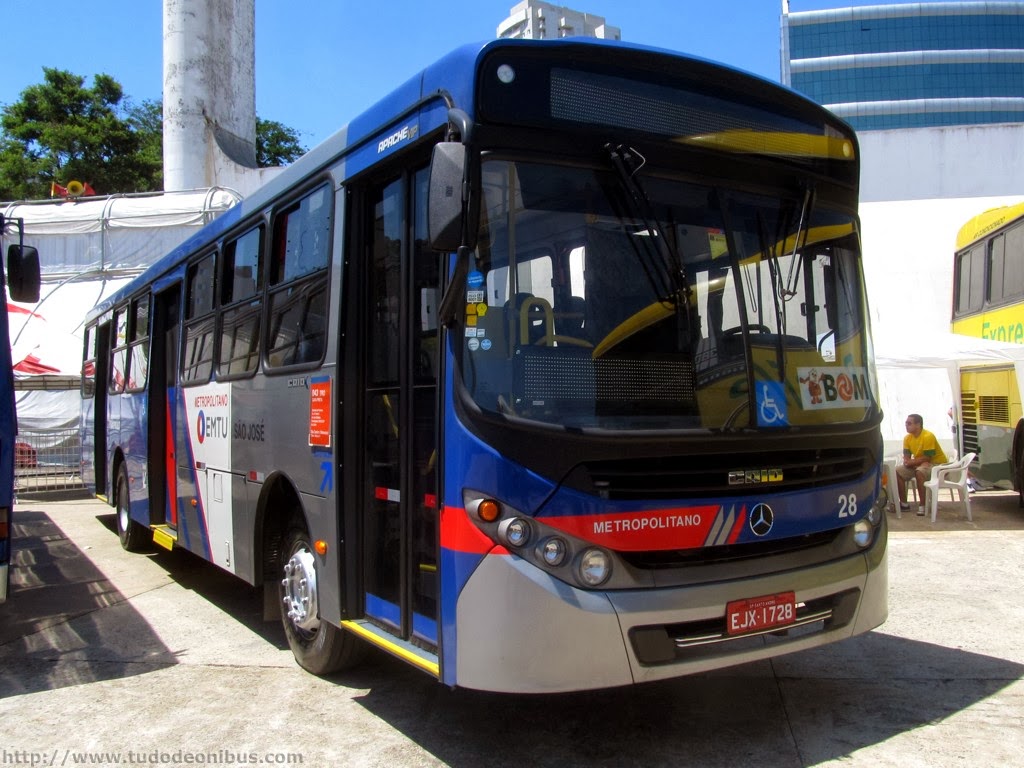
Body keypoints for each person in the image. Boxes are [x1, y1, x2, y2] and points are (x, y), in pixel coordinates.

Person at [896, 413, 948, 515]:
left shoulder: (928, 436)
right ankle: (903, 504)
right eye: (906, 423)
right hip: (919, 464)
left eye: (909, 423)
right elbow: (906, 457)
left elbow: (928, 458)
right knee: (897, 471)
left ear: (918, 425)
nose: (906, 425)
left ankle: (923, 505)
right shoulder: (907, 438)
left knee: (920, 472)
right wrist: (911, 462)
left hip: (937, 465)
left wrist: (914, 462)